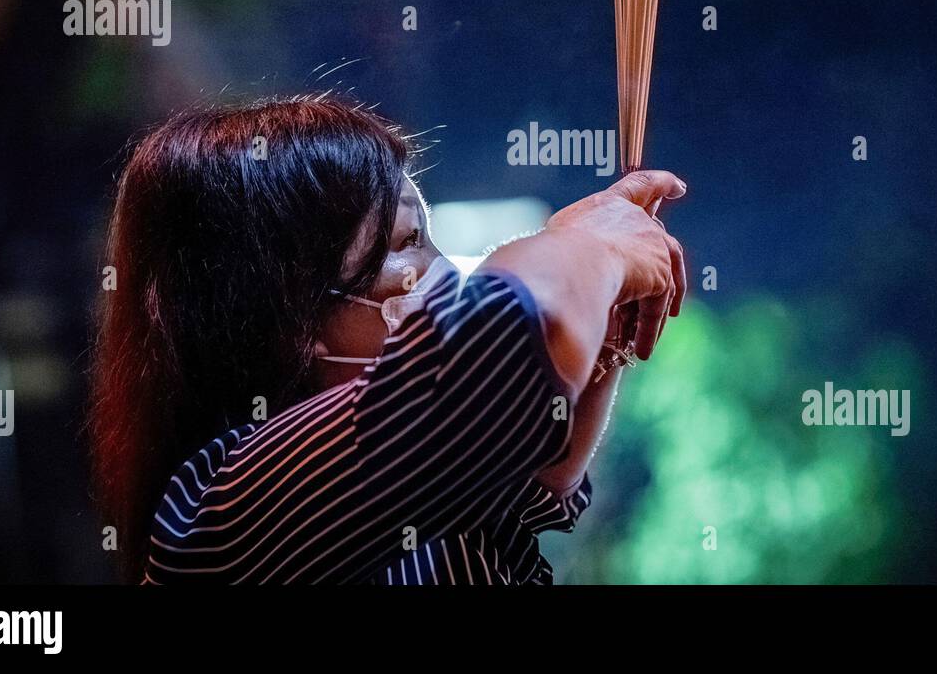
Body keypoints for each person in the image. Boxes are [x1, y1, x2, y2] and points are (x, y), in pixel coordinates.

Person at [87, 97, 686, 583]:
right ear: (293, 321)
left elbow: (541, 466)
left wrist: (603, 321)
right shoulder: (223, 512)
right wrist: (591, 248)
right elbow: (498, 351)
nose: (446, 273)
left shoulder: (409, 470)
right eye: (406, 244)